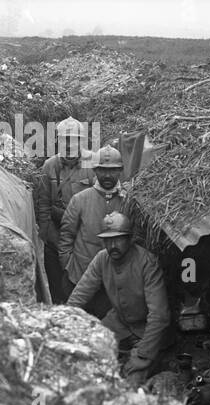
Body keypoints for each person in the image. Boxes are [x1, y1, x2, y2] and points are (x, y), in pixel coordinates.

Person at [66, 212, 169, 386]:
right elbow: (80, 294)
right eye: (107, 240)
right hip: (118, 322)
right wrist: (63, 317)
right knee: (88, 357)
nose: (112, 245)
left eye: (118, 239)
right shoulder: (101, 258)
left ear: (129, 239)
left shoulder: (147, 262)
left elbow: (159, 316)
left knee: (131, 381)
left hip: (145, 329)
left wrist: (142, 356)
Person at [60, 145, 146, 318]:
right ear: (94, 170)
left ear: (121, 170)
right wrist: (69, 267)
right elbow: (66, 236)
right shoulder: (80, 200)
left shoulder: (129, 200)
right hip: (80, 275)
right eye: (102, 170)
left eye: (113, 170)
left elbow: (137, 237)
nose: (107, 175)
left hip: (115, 280)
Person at [35, 117, 95, 303]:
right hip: (57, 232)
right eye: (64, 140)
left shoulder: (93, 163)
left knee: (86, 282)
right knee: (58, 283)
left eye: (74, 139)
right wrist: (47, 235)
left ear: (81, 141)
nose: (69, 145)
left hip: (84, 233)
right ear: (58, 141)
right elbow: (43, 204)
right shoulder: (50, 166)